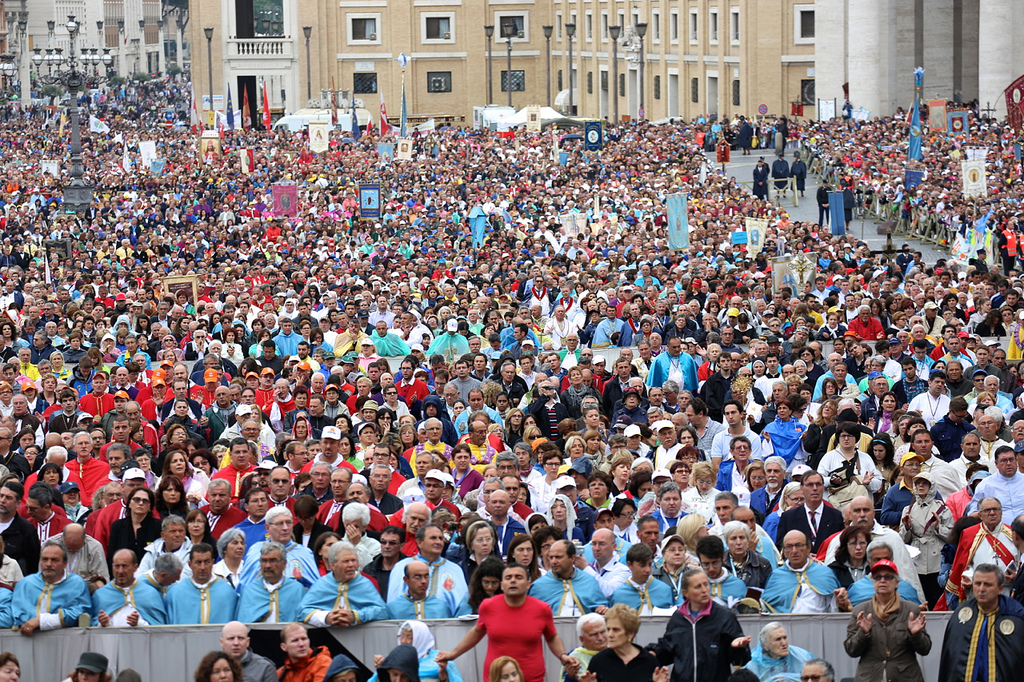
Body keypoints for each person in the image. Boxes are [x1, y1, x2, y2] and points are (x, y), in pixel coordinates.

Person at [435, 562, 580, 682]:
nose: (513, 581)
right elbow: (477, 631)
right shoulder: (488, 606)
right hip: (496, 677)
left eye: (518, 577)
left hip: (532, 678)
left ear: (528, 584)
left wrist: (562, 656)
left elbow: (552, 636)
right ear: (502, 585)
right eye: (508, 577)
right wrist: (453, 654)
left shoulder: (542, 609)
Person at [647, 568, 751, 682]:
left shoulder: (724, 616)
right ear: (685, 593)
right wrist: (653, 653)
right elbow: (669, 650)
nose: (704, 590)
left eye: (706, 585)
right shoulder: (678, 618)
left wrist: (737, 648)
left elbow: (741, 660)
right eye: (698, 587)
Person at [843, 558, 930, 682]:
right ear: (873, 582)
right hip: (869, 677)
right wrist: (863, 633)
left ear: (897, 582)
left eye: (888, 577)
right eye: (877, 577)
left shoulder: (911, 610)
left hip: (906, 677)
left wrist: (915, 635)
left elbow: (925, 649)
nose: (882, 580)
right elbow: (851, 650)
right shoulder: (860, 611)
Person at [938, 563, 1024, 682]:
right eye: (978, 584)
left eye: (987, 585)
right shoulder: (960, 615)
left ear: (1000, 589)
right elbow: (949, 662)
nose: (981, 589)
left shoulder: (1016, 616)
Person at [298, 543, 388, 626]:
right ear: (333, 565)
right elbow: (302, 612)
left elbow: (382, 611)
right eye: (346, 561)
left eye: (353, 560)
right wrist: (326, 617)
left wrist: (355, 616)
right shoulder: (322, 584)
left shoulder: (365, 584)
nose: (351, 565)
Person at [12, 541, 91, 634]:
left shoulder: (77, 583)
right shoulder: (25, 583)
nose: (49, 564)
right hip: (28, 640)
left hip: (65, 641)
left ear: (65, 563)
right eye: (45, 559)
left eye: (54, 560)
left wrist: (42, 621)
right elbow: (16, 614)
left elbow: (81, 612)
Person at [388, 524, 469, 613]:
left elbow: (463, 608)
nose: (438, 542)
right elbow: (393, 606)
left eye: (440, 538)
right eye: (433, 538)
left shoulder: (454, 569)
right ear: (419, 542)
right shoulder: (402, 566)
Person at [578, 604, 667, 682]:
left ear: (630, 633)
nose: (610, 635)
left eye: (616, 630)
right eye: (608, 629)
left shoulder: (649, 661)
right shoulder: (598, 661)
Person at [762, 530, 840, 613]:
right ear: (784, 552)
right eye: (789, 547)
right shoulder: (776, 577)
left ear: (808, 548)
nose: (794, 551)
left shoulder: (825, 574)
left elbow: (834, 609)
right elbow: (767, 608)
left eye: (799, 545)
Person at [529, 539, 608, 615]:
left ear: (572, 558)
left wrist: (601, 609)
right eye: (551, 557)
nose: (553, 561)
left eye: (558, 557)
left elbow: (600, 609)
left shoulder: (589, 581)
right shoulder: (539, 586)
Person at [164, 543, 238, 624]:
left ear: (213, 563)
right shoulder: (175, 594)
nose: (202, 567)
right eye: (198, 562)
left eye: (207, 562)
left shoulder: (227, 593)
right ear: (190, 564)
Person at [236, 541, 308, 623]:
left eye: (273, 561)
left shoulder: (297, 590)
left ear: (284, 564)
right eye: (264, 561)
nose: (267, 565)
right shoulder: (249, 591)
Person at [92, 548, 167, 626]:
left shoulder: (150, 593)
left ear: (135, 567)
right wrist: (102, 624)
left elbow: (159, 627)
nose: (120, 571)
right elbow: (91, 626)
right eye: (117, 566)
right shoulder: (101, 595)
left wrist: (139, 623)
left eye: (125, 566)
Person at [370, 620, 464, 682]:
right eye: (402, 637)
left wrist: (443, 675)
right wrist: (382, 669)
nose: (404, 641)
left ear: (421, 639)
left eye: (409, 637)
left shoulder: (440, 659)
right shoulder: (393, 660)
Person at [387, 559, 471, 619]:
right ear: (406, 580)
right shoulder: (394, 608)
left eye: (426, 577)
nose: (423, 581)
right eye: (417, 577)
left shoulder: (441, 607)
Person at [611, 543, 677, 613]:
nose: (648, 570)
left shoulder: (664, 590)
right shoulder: (619, 595)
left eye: (650, 564)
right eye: (642, 565)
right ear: (630, 565)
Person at [743, 622, 815, 682]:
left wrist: (792, 678)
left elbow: (820, 676)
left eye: (785, 638)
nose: (784, 643)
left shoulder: (801, 656)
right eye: (778, 639)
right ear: (765, 645)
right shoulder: (753, 663)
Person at [562, 613, 608, 682]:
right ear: (582, 639)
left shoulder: (617, 652)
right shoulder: (574, 658)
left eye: (603, 632)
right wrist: (571, 677)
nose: (600, 638)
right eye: (594, 634)